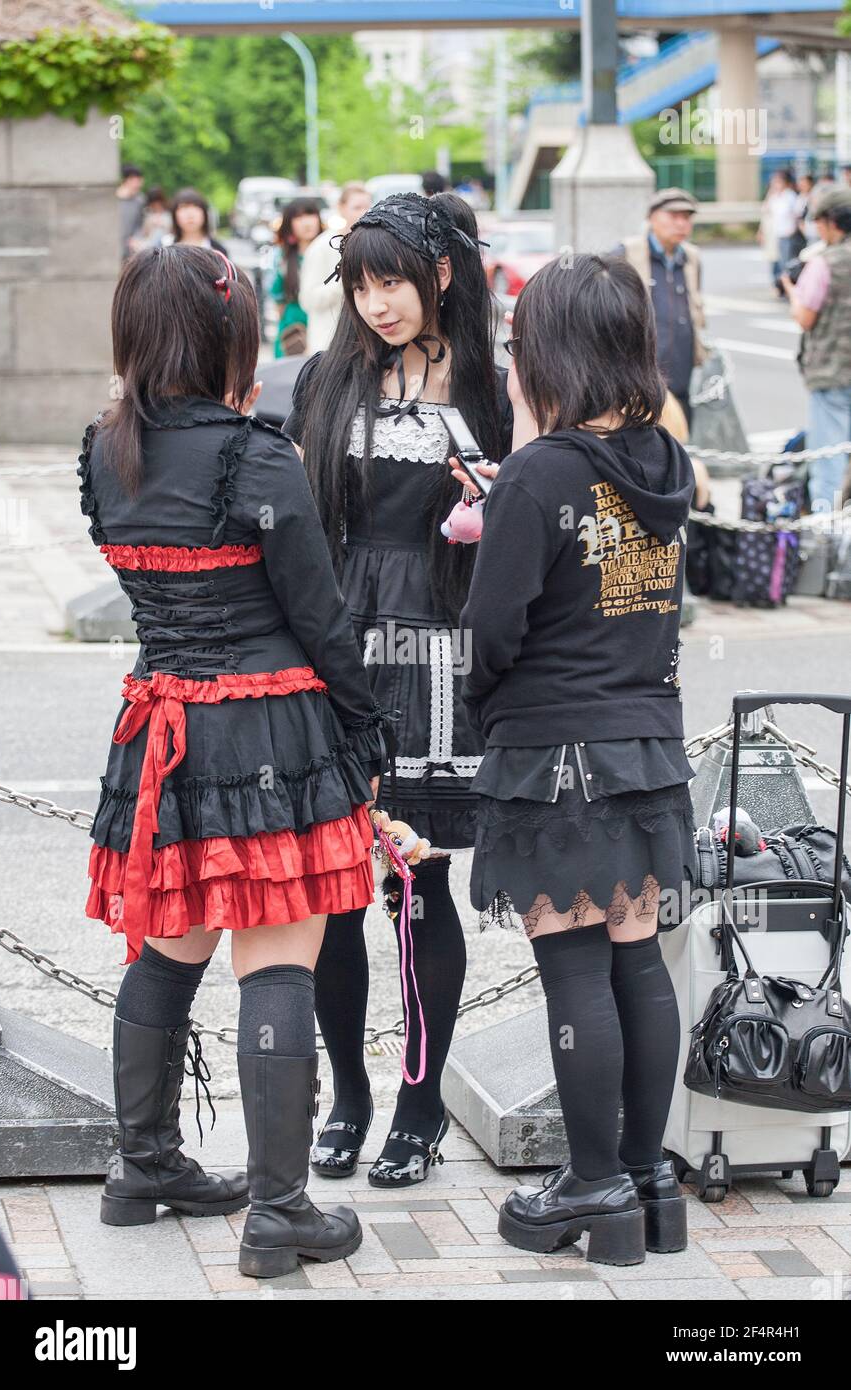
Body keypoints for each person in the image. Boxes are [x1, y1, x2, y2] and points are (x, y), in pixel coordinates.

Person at [78, 243, 395, 1279]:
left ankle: (143, 1167)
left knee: (166, 949)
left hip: (162, 728)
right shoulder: (255, 455)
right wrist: (363, 732)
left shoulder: (101, 453)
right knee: (275, 960)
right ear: (231, 337)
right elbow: (319, 615)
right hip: (271, 732)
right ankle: (280, 1209)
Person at [458, 252, 698, 1266]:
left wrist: (484, 706)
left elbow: (490, 626)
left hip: (556, 753)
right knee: (636, 956)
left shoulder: (542, 470)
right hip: (644, 744)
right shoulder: (663, 464)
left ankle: (591, 1184)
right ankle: (644, 1182)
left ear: (544, 353)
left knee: (571, 967)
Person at [281, 191, 512, 1186]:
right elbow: (293, 523)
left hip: (441, 655)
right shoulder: (325, 381)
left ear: (442, 277)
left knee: (419, 885)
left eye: (394, 281)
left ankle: (417, 1104)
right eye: (362, 283)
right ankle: (350, 1094)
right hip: (337, 652)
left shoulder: (492, 390)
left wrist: (493, 504)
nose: (377, 302)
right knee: (335, 890)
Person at [611, 188, 707, 427]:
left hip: (682, 371)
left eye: (686, 217)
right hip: (638, 374)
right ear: (652, 217)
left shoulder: (691, 258)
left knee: (680, 441)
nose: (681, 223)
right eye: (673, 216)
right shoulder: (627, 253)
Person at [782, 188, 851, 513]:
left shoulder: (823, 264)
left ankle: (826, 532)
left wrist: (792, 292)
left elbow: (806, 317)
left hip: (832, 373)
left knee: (829, 459)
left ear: (831, 223)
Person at [298, 183, 372, 353]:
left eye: (368, 206)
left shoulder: (371, 245)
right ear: (341, 208)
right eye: (357, 207)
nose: (364, 212)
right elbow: (307, 299)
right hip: (329, 344)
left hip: (364, 344)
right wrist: (346, 284)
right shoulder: (323, 246)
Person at [270, 198, 324, 357]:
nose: (307, 222)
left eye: (311, 215)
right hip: (293, 327)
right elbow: (278, 298)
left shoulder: (331, 251)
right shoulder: (283, 257)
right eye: (299, 217)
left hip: (323, 323)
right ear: (290, 223)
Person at [160, 187, 228, 254]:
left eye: (196, 207)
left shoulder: (218, 251)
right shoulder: (164, 247)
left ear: (204, 213)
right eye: (183, 207)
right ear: (174, 214)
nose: (190, 214)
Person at [117, 164, 145, 260]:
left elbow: (140, 223)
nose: (139, 184)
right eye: (136, 180)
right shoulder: (112, 200)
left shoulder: (140, 200)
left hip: (130, 249)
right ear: (127, 180)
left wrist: (136, 237)